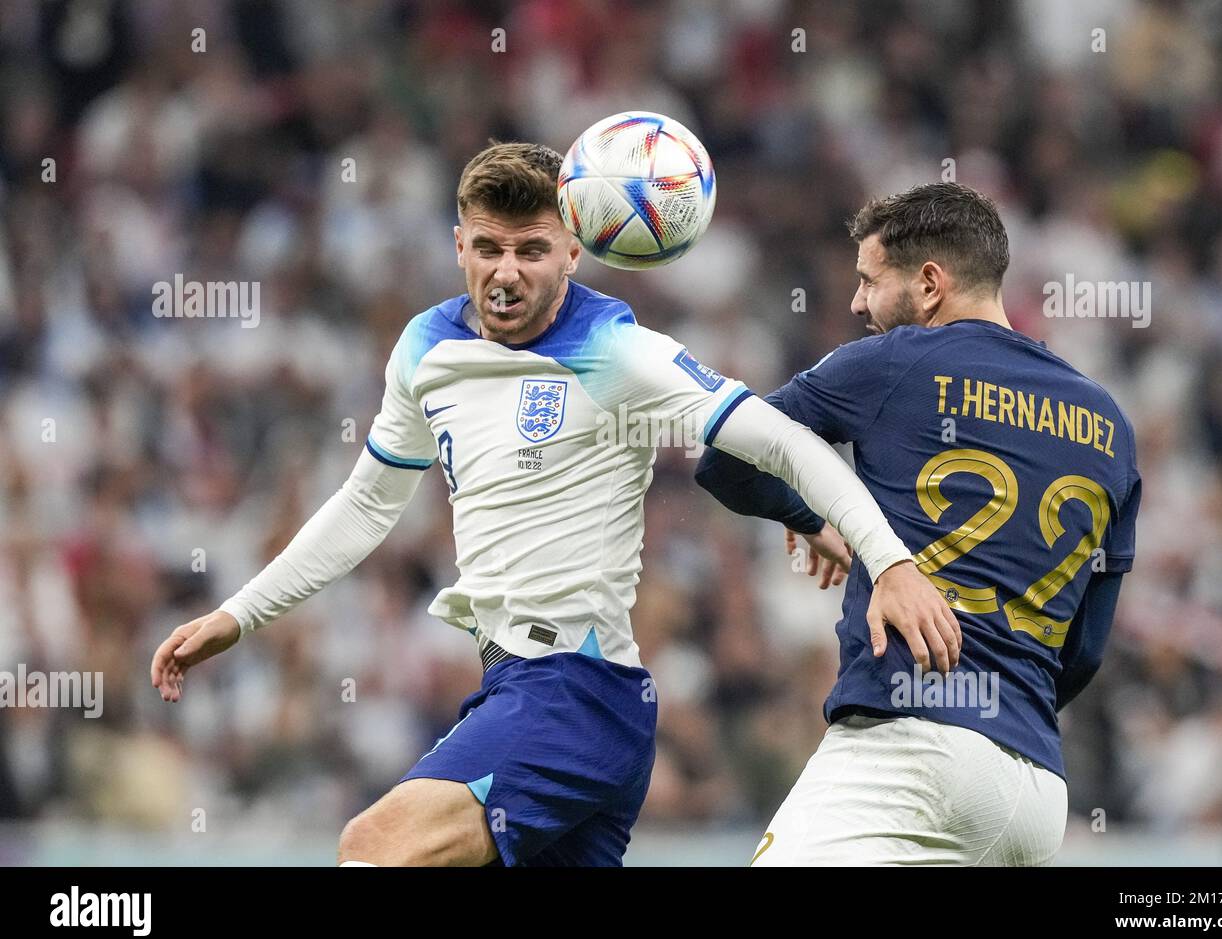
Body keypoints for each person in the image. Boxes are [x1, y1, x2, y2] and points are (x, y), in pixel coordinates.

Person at [149, 142, 958, 867]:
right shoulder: (426, 349)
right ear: (458, 246)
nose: (507, 272)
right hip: (523, 689)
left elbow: (781, 440)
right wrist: (238, 616)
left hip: (575, 694)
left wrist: (887, 561)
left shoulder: (619, 352)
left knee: (376, 848)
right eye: (488, 249)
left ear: (574, 250)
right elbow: (366, 506)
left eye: (532, 250)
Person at [696, 182, 1142, 866]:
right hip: (1035, 788)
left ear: (930, 284)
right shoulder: (1108, 423)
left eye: (869, 281)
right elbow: (1082, 650)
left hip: (910, 751)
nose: (856, 303)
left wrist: (805, 515)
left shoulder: (893, 363)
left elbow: (725, 457)